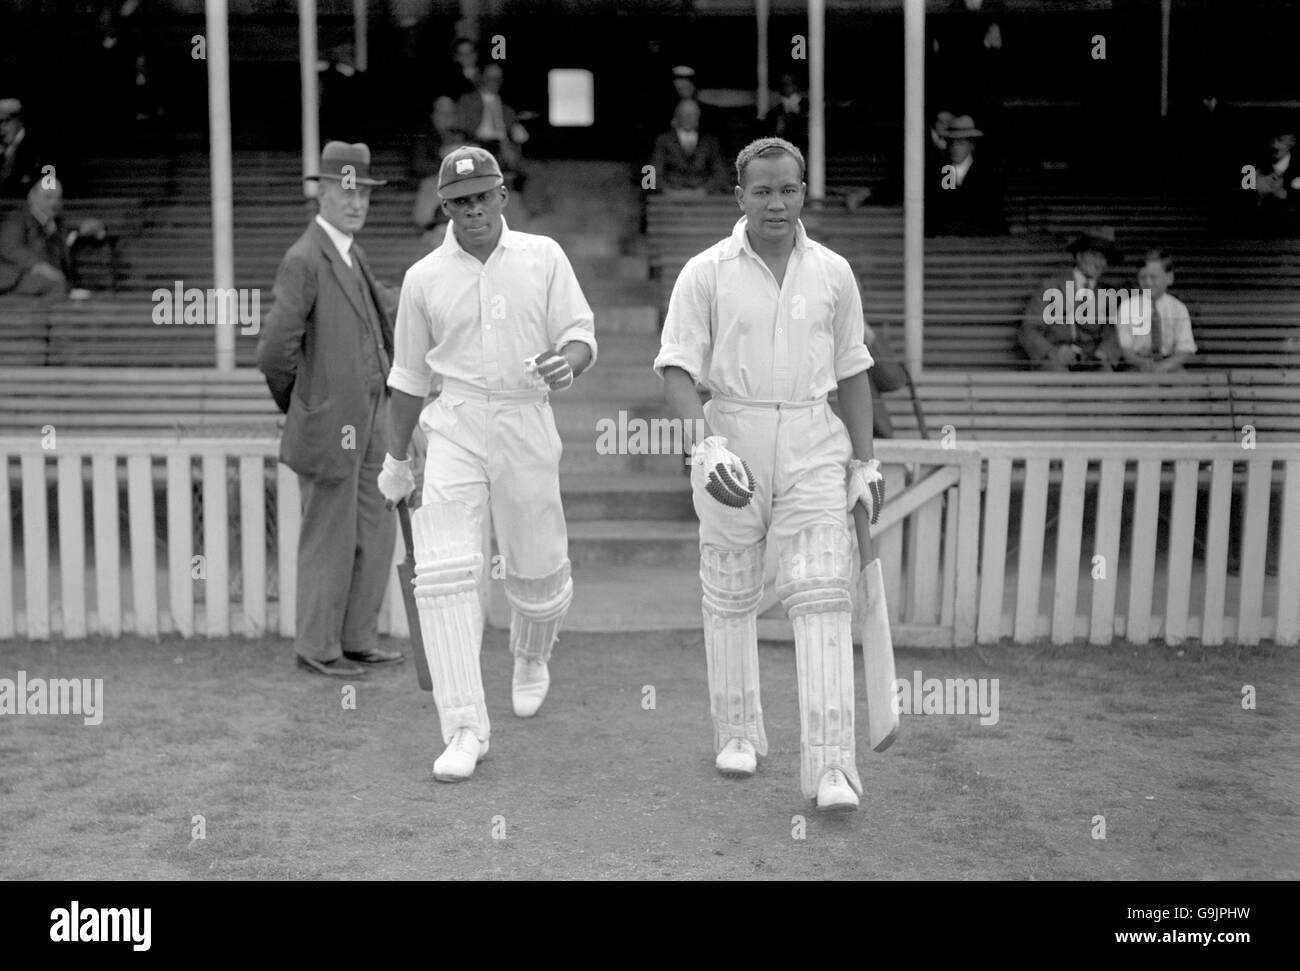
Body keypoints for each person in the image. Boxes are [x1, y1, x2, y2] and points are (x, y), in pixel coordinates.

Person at [654, 136, 885, 812]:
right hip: (733, 436)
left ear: (803, 190)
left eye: (787, 189)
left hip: (815, 436)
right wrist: (705, 445)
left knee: (822, 594)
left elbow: (852, 370)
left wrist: (864, 460)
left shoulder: (834, 272)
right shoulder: (706, 271)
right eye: (762, 190)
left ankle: (832, 767)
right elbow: (676, 365)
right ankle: (737, 732)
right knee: (729, 592)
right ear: (740, 196)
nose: (776, 202)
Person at [377, 146, 597, 783]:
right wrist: (397, 460)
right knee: (444, 575)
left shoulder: (543, 257)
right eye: (459, 201)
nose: (473, 210)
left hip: (527, 416)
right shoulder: (424, 278)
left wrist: (569, 361)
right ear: (444, 207)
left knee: (539, 567)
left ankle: (531, 653)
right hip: (457, 423)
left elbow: (581, 333)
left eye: (483, 197)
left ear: (502, 196)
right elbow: (408, 378)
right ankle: (465, 728)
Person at [256, 141, 404, 678]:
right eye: (346, 189)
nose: (356, 200)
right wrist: (305, 404)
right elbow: (274, 350)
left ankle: (358, 638)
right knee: (330, 537)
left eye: (363, 191)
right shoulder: (305, 257)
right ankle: (318, 647)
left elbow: (384, 305)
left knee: (374, 528)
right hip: (334, 420)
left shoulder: (348, 251)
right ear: (320, 191)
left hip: (371, 414)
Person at [1019, 228, 1123, 371]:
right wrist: (1053, 352)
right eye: (1093, 255)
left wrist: (1103, 352)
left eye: (1103, 257)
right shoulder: (1051, 286)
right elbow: (1028, 329)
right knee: (1059, 377)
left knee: (1106, 378)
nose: (1098, 262)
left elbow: (1116, 332)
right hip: (1055, 361)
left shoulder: (1109, 293)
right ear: (1079, 256)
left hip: (1092, 361)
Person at [0, 179, 106, 299]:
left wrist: (93, 228)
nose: (54, 203)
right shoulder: (16, 219)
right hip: (18, 283)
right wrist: (41, 267)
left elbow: (71, 238)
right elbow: (9, 248)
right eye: (48, 197)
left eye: (58, 198)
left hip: (53, 286)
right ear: (32, 196)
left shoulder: (57, 224)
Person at [1114, 249, 1197, 372]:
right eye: (1143, 277)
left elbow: (1185, 348)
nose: (1147, 282)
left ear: (1169, 278)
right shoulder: (1127, 307)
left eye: (1153, 277)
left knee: (1186, 386)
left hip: (1170, 363)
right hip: (1137, 364)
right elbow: (1126, 349)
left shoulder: (1178, 308)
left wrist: (1165, 365)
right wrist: (1142, 363)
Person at [924, 113, 1005, 236]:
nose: (955, 148)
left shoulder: (986, 173)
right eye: (952, 143)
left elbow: (989, 215)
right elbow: (941, 209)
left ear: (971, 146)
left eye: (961, 143)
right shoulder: (947, 171)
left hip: (982, 240)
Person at [409, 96, 467, 238]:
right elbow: (419, 164)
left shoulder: (461, 134)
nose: (447, 117)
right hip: (434, 179)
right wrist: (445, 168)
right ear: (434, 115)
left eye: (451, 113)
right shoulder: (424, 135)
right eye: (443, 112)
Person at [649, 99, 730, 196]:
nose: (690, 118)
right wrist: (668, 191)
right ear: (677, 116)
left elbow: (720, 173)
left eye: (694, 114)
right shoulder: (663, 140)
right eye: (686, 114)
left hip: (704, 198)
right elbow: (653, 172)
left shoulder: (710, 141)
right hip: (670, 198)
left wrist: (704, 190)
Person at [1253, 129, 1299, 237]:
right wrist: (1257, 192)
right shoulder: (1258, 168)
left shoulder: (1297, 168)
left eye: (1280, 140)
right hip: (1258, 236)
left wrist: (1282, 194)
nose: (1274, 146)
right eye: (1271, 140)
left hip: (1290, 237)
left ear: (1293, 141)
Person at [0, 98, 42, 199]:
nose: (0, 128)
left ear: (19, 120)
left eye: (3, 121)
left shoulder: (35, 148)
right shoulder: (2, 149)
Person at [764, 72, 808, 153]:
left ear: (796, 85)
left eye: (789, 83)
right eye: (783, 84)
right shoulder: (775, 111)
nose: (786, 87)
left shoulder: (808, 107)